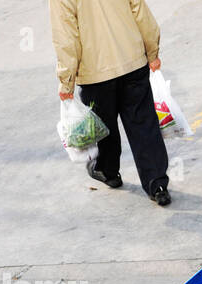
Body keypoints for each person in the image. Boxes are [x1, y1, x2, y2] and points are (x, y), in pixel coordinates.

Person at [50, 0, 172, 206]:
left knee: (103, 125)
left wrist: (66, 81)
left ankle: (108, 171)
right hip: (132, 61)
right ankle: (157, 184)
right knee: (143, 124)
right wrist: (152, 51)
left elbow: (66, 38)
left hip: (95, 73)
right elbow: (140, 11)